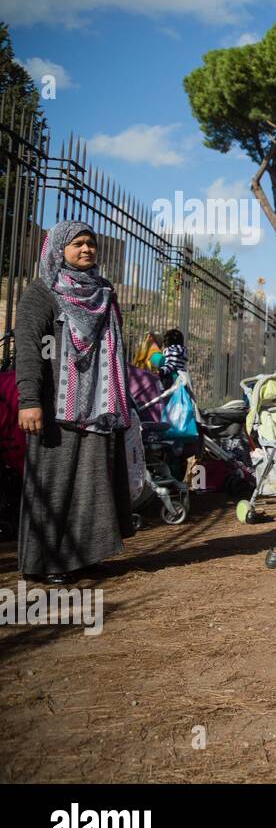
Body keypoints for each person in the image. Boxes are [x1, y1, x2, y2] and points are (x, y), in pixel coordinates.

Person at [15, 221, 135, 583]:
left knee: (93, 482)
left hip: (99, 405)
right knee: (54, 483)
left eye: (91, 244)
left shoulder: (104, 293)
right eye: (77, 244)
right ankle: (47, 562)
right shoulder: (42, 293)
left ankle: (85, 555)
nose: (86, 249)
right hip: (56, 407)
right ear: (57, 249)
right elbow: (28, 348)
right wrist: (29, 399)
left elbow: (115, 351)